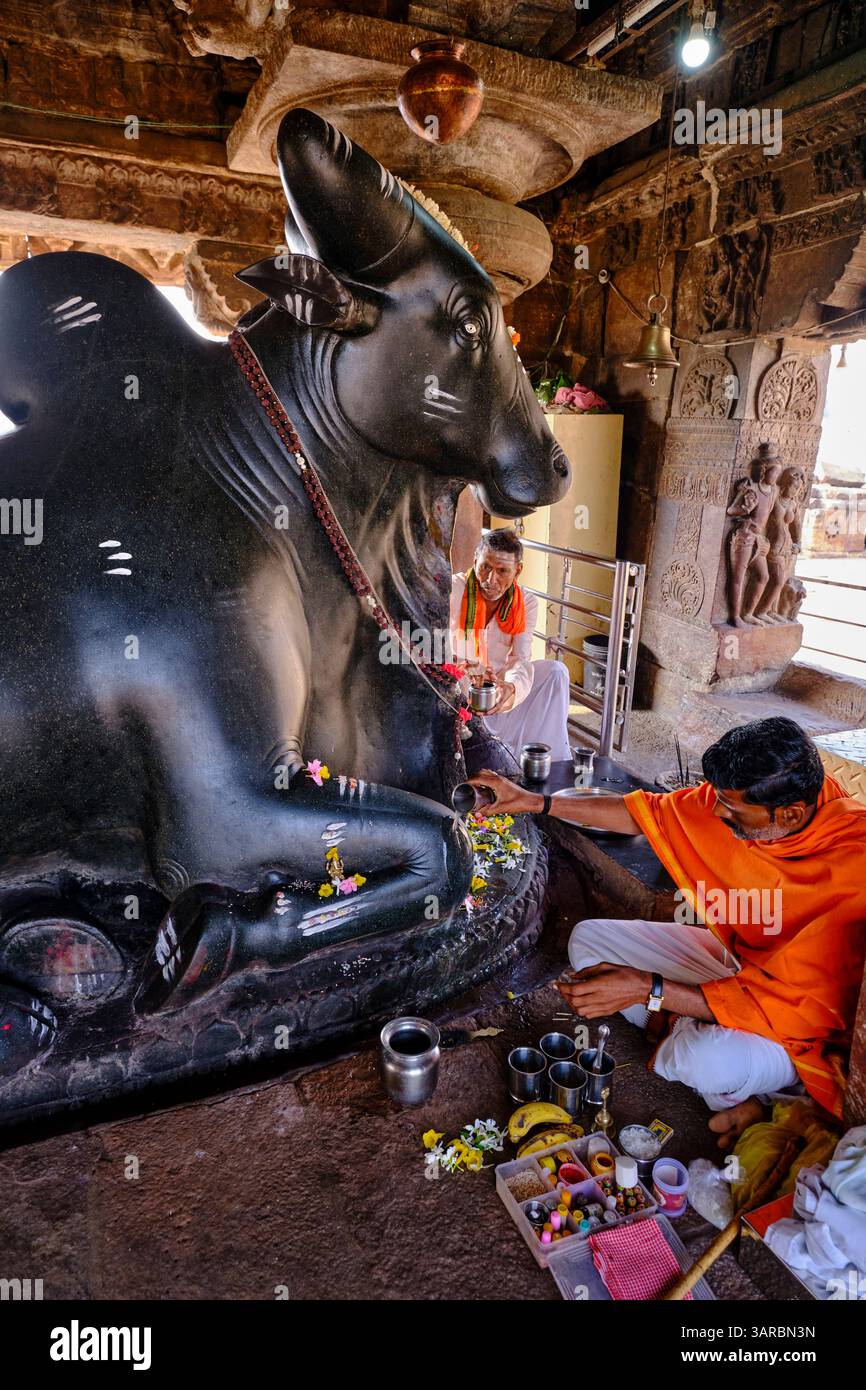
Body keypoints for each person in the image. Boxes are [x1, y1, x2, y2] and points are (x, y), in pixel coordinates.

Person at [469, 717, 866, 1145]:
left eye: (730, 808)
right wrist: (534, 802)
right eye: (717, 799)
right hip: (739, 968)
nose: (714, 812)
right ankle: (695, 1036)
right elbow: (646, 815)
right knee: (588, 941)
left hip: (799, 1033)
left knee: (700, 1058)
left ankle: (770, 1094)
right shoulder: (757, 801)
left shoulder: (851, 873)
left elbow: (797, 1011)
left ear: (790, 814)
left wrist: (648, 989)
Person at [450, 529, 571, 763]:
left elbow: (520, 659)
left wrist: (511, 689)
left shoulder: (526, 601)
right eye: (485, 567)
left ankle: (548, 762)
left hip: (496, 695)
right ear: (475, 561)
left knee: (556, 673)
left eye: (502, 571)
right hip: (457, 692)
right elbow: (429, 644)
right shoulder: (453, 589)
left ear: (518, 571)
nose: (490, 580)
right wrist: (461, 664)